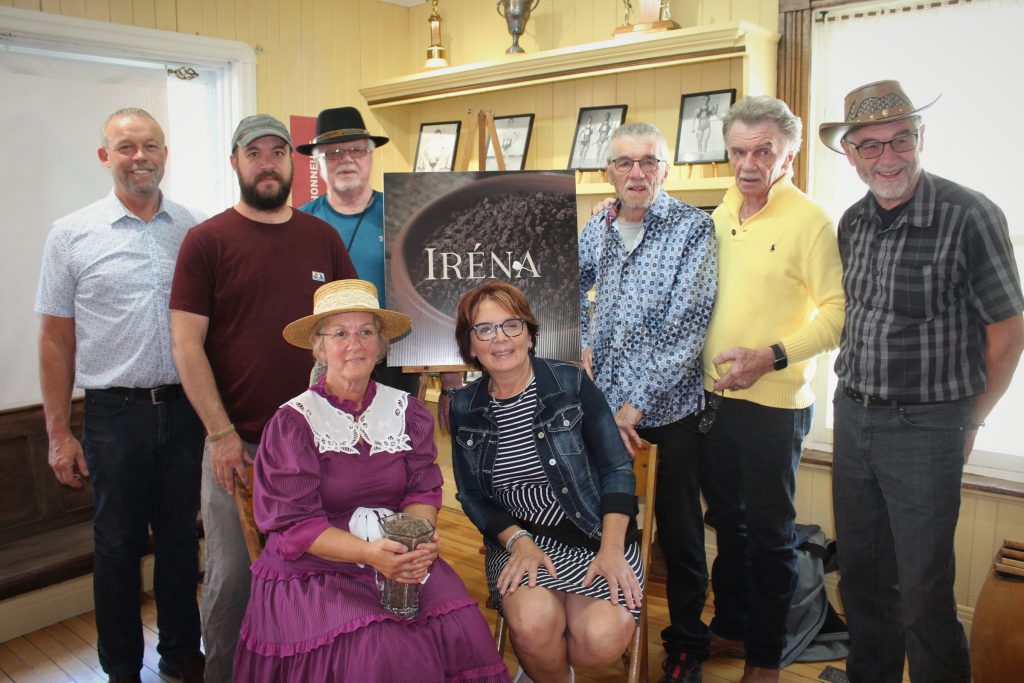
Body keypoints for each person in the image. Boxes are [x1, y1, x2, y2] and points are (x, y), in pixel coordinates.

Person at [819, 80, 1024, 683]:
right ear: (850, 154)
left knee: (923, 587)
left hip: (927, 425)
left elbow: (1008, 337)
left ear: (920, 138)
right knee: (861, 576)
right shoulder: (853, 222)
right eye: (870, 146)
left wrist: (971, 421)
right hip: (854, 416)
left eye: (899, 140)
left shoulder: (971, 215)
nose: (888, 158)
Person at [233, 279, 510, 682]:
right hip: (315, 566)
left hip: (393, 550)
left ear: (381, 345)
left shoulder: (407, 411)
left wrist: (412, 542)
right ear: (319, 346)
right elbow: (296, 525)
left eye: (365, 332)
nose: (354, 344)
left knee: (461, 625)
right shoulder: (293, 422)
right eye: (340, 334)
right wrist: (372, 555)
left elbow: (421, 490)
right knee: (381, 648)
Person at [169, 114, 357, 683]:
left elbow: (348, 325)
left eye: (279, 152)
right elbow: (185, 343)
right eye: (256, 153)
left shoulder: (320, 237)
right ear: (236, 162)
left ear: (292, 164)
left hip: (317, 443)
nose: (268, 162)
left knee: (320, 567)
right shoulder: (206, 242)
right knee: (232, 579)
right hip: (239, 445)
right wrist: (221, 435)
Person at [35, 108, 206, 683]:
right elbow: (56, 339)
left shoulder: (194, 230)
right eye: (126, 147)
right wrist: (59, 433)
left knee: (182, 542)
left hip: (184, 412)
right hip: (113, 415)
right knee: (116, 549)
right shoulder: (71, 234)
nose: (140, 157)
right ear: (105, 156)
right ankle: (121, 670)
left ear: (164, 153)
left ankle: (183, 657)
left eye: (150, 145)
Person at [695, 96, 844, 683]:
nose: (749, 164)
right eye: (738, 151)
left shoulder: (811, 221)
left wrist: (770, 357)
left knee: (770, 536)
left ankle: (765, 657)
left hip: (774, 409)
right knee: (725, 527)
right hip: (712, 405)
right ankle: (731, 623)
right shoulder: (719, 211)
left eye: (764, 152)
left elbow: (838, 314)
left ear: (788, 155)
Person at [578, 121, 716, 683]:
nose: (637, 173)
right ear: (609, 171)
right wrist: (584, 347)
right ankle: (605, 621)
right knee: (606, 523)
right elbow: (568, 290)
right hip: (603, 407)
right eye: (625, 163)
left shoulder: (692, 229)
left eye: (649, 162)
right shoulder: (596, 228)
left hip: (669, 411)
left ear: (666, 168)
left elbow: (689, 327)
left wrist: (635, 404)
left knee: (680, 536)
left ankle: (686, 643)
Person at [450, 281, 642, 683]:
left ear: (531, 334)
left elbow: (616, 470)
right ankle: (549, 670)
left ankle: (543, 663)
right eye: (484, 329)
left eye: (511, 326)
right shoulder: (464, 406)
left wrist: (611, 550)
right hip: (521, 538)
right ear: (470, 346)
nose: (500, 338)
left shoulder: (571, 384)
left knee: (603, 638)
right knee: (535, 626)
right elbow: (470, 495)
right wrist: (517, 540)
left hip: (595, 531)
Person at [296, 106, 463, 417]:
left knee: (395, 452)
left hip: (395, 364)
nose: (346, 159)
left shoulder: (403, 218)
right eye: (333, 152)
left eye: (356, 150)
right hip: (326, 367)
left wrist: (451, 380)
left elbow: (437, 292)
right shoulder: (300, 224)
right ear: (317, 162)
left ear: (370, 156)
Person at [692, 95, 718, 160]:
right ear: (703, 100)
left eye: (707, 99)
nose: (706, 101)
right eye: (705, 99)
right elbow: (694, 119)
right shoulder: (697, 110)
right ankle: (700, 155)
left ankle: (703, 156)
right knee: (699, 142)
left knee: (705, 141)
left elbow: (715, 115)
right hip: (700, 127)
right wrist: (692, 127)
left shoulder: (710, 108)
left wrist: (716, 108)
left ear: (708, 100)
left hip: (707, 126)